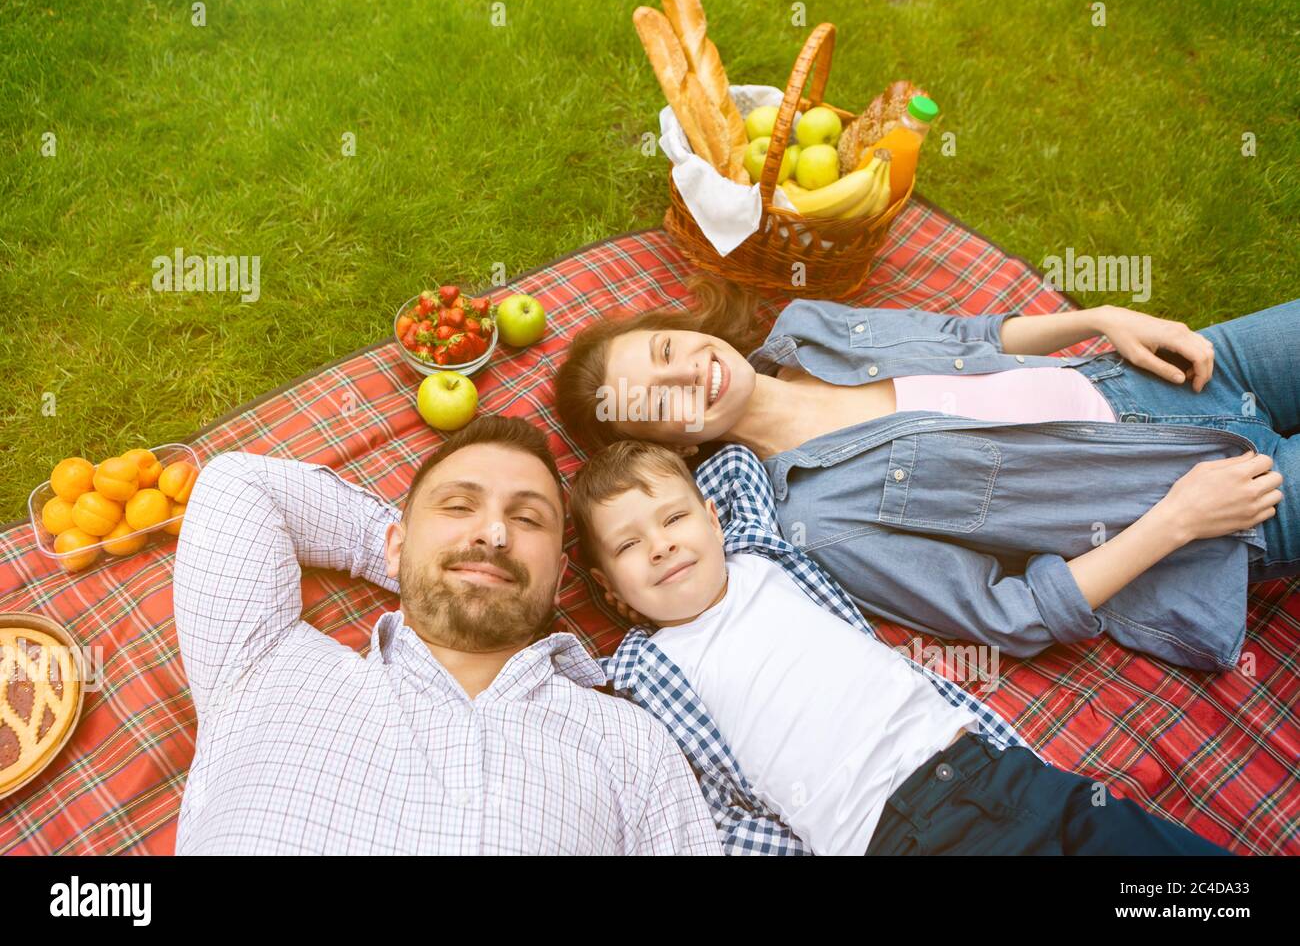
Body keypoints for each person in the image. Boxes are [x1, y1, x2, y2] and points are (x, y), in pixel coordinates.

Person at [556, 275, 1295, 672]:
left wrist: (1100, 320)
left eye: (663, 350)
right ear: (675, 449)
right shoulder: (818, 518)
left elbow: (967, 339)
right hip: (1207, 504)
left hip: (1158, 378)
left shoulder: (807, 329)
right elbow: (1010, 615)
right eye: (661, 402)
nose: (689, 372)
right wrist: (1182, 518)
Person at [570, 439, 1230, 855]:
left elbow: (737, 464)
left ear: (712, 518)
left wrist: (659, 476)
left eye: (674, 517)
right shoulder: (643, 667)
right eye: (629, 545)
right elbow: (710, 807)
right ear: (611, 587)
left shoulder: (760, 553)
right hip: (890, 834)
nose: (659, 544)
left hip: (991, 769)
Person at [172, 414, 721, 855]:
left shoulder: (629, 744)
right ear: (393, 544)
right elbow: (236, 486)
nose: (495, 532)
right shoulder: (269, 665)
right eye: (459, 506)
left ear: (559, 579)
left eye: (528, 520)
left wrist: (436, 551)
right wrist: (408, 552)